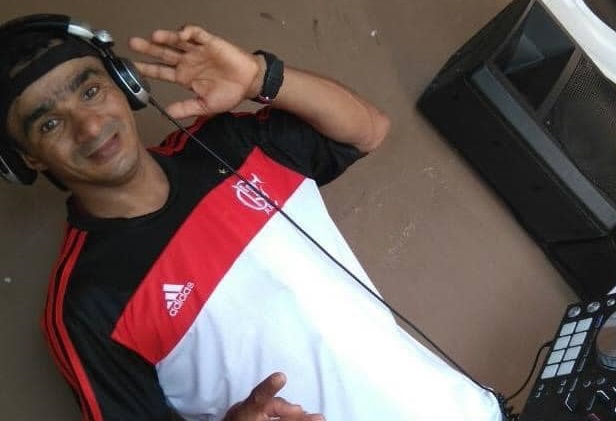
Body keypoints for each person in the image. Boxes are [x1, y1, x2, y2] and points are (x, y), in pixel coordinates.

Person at [0, 13, 504, 421]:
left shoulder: (231, 144)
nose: (90, 127)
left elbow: (367, 130)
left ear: (123, 84)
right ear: (28, 160)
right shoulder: (85, 304)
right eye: (50, 123)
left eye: (91, 91)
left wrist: (261, 78)